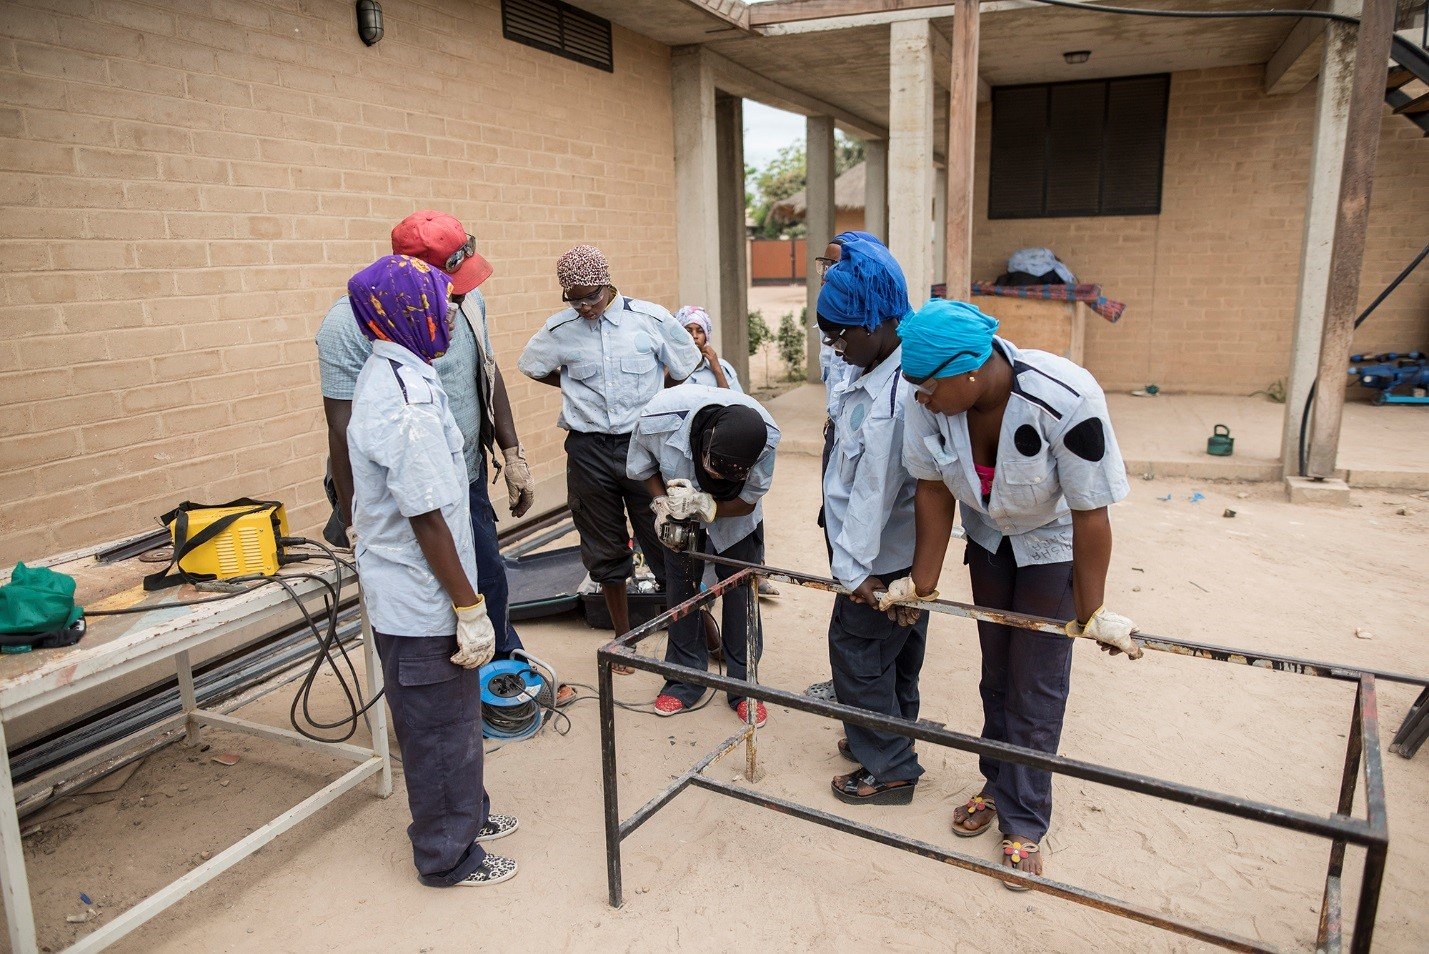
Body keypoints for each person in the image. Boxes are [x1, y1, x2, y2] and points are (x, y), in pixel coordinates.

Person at [878, 297, 1140, 887]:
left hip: (1053, 546)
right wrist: (921, 582)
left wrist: (1092, 611)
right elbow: (932, 489)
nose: (919, 398)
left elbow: (1090, 513)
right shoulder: (929, 395)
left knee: (1036, 682)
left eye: (928, 388)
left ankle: (1024, 822)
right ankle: (997, 784)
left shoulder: (1065, 397)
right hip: (990, 536)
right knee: (996, 672)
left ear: (968, 371)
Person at [316, 212, 573, 702]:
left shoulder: (469, 298)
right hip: (400, 491)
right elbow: (340, 426)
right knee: (431, 593)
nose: (457, 297)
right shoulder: (347, 326)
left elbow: (488, 370)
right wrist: (352, 518)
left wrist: (512, 452)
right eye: (448, 285)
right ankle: (442, 698)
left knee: (486, 573)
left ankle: (499, 675)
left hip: (462, 472)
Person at [345, 255, 517, 888]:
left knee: (456, 716)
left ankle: (468, 814)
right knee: (439, 731)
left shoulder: (409, 372)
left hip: (433, 589)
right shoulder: (404, 400)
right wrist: (469, 607)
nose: (448, 312)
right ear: (407, 313)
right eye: (438, 303)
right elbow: (426, 518)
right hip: (423, 600)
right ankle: (448, 855)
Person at [517, 245, 701, 654]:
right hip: (588, 451)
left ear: (608, 283)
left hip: (644, 448)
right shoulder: (560, 330)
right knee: (605, 549)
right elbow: (531, 365)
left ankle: (700, 636)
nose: (584, 306)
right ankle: (624, 637)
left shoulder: (650, 320)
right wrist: (571, 388)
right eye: (575, 298)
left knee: (667, 539)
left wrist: (655, 403)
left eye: (592, 296)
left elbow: (685, 366)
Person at [814, 237, 928, 806]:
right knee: (896, 654)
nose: (835, 346)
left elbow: (871, 495)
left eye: (841, 334)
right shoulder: (880, 364)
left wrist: (853, 572)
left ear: (878, 322)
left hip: (876, 556)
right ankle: (892, 731)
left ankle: (889, 766)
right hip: (895, 551)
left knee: (856, 658)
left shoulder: (892, 402)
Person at [626, 384, 779, 725]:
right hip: (676, 512)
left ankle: (745, 687)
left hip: (736, 517)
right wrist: (662, 505)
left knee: (741, 591)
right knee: (682, 591)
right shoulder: (659, 418)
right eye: (714, 470)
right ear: (706, 439)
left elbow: (749, 499)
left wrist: (708, 504)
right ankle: (683, 680)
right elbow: (643, 467)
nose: (717, 477)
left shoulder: (766, 436)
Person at [671, 306, 742, 392]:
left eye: (700, 331)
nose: (694, 336)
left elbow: (734, 402)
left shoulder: (723, 367)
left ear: (706, 336)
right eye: (688, 331)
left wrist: (716, 369)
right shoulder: (670, 366)